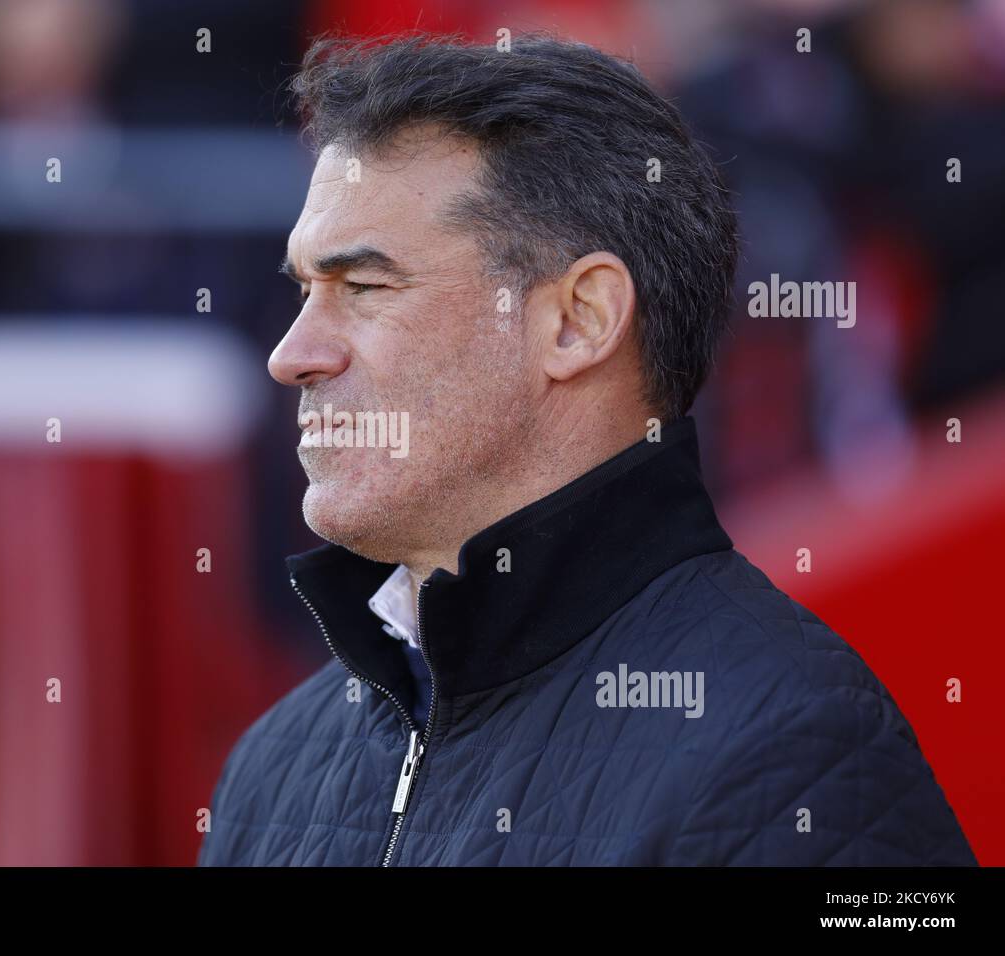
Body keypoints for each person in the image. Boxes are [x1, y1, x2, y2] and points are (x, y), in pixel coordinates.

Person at [196, 32, 977, 866]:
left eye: (364, 287)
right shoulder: (273, 767)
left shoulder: (798, 758)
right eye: (304, 291)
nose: (291, 354)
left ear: (580, 320)